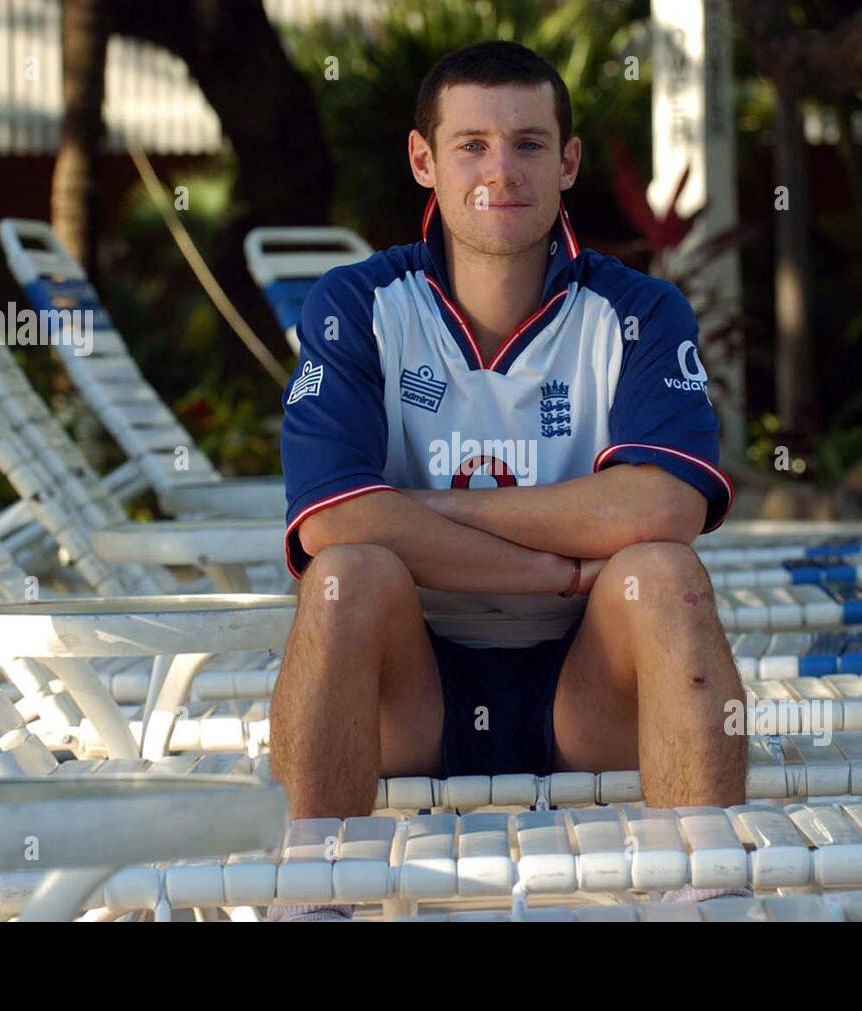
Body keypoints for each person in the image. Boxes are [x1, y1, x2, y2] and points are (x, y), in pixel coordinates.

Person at [269, 40, 746, 921]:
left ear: (567, 163)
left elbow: (665, 504)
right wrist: (556, 565)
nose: (502, 170)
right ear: (425, 160)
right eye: (472, 145)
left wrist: (425, 508)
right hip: (410, 699)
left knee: (664, 574)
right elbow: (334, 523)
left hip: (587, 690)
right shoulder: (357, 304)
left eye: (530, 144)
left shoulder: (639, 312)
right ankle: (312, 895)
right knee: (345, 579)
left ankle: (706, 889)